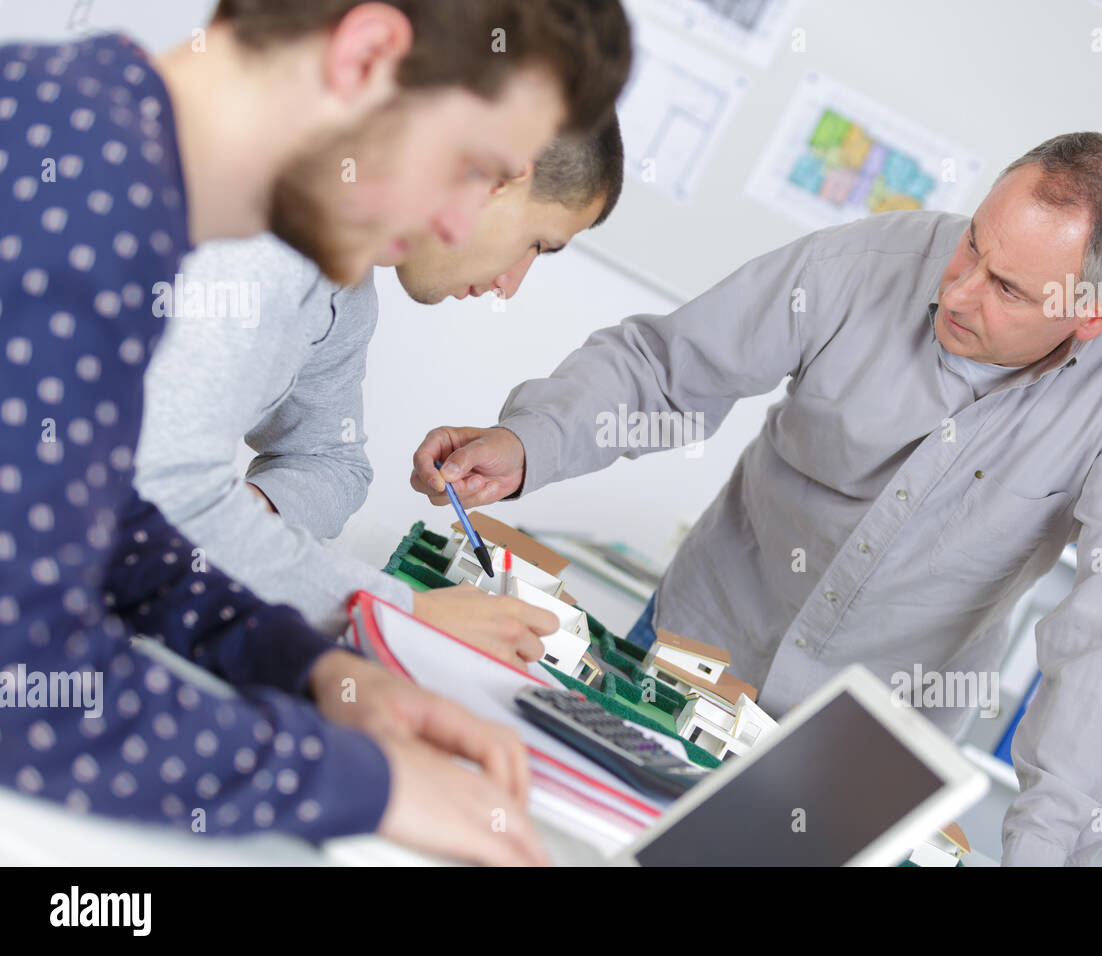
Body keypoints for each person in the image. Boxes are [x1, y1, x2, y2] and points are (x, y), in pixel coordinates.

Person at [410, 132, 1102, 866]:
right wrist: (529, 441)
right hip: (704, 645)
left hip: (873, 743)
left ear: (1096, 314)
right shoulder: (869, 263)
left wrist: (1040, 854)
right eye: (972, 242)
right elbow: (667, 367)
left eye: (1007, 288)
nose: (960, 292)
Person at [0, 0, 630, 866]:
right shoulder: (83, 205)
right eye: (476, 168)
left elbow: (112, 522)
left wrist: (309, 670)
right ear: (368, 55)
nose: (455, 227)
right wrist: (363, 780)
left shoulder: (103, 153)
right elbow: (30, 681)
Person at [133, 121, 625, 666]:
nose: (510, 285)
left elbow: (333, 464)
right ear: (500, 180)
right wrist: (407, 610)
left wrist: (253, 515)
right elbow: (157, 512)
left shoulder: (346, 295)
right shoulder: (242, 244)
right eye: (537, 243)